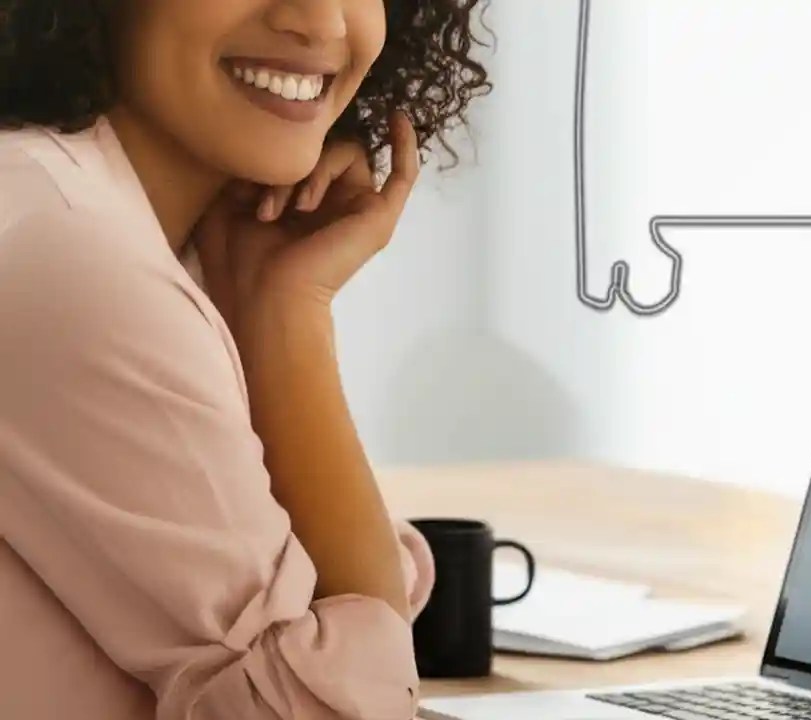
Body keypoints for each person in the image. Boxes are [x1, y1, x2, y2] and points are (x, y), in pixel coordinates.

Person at [0, 0, 489, 717]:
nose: (321, 22)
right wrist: (289, 324)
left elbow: (341, 606)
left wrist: (271, 297)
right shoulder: (64, 245)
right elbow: (315, 703)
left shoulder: (95, 211)